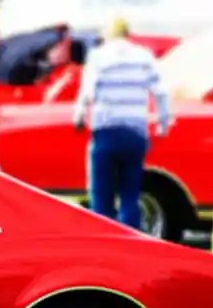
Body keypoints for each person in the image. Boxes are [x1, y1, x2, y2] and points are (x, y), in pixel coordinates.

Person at [73, 18, 171, 230]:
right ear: (128, 34)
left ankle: (104, 239)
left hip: (106, 132)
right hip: (135, 134)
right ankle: (130, 239)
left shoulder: (98, 56)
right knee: (130, 194)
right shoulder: (144, 56)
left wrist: (79, 117)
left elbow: (87, 92)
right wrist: (163, 124)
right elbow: (161, 92)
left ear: (107, 35)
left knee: (101, 195)